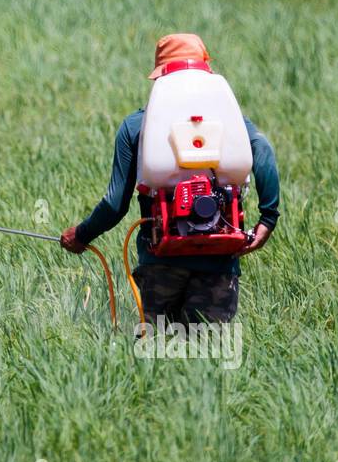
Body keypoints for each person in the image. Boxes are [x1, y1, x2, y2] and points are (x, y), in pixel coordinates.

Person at [59, 33, 280, 324]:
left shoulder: (137, 126)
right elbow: (262, 149)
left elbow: (115, 205)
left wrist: (82, 235)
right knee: (209, 356)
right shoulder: (231, 121)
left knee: (159, 354)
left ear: (160, 78)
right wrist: (267, 220)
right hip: (219, 261)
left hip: (160, 262)